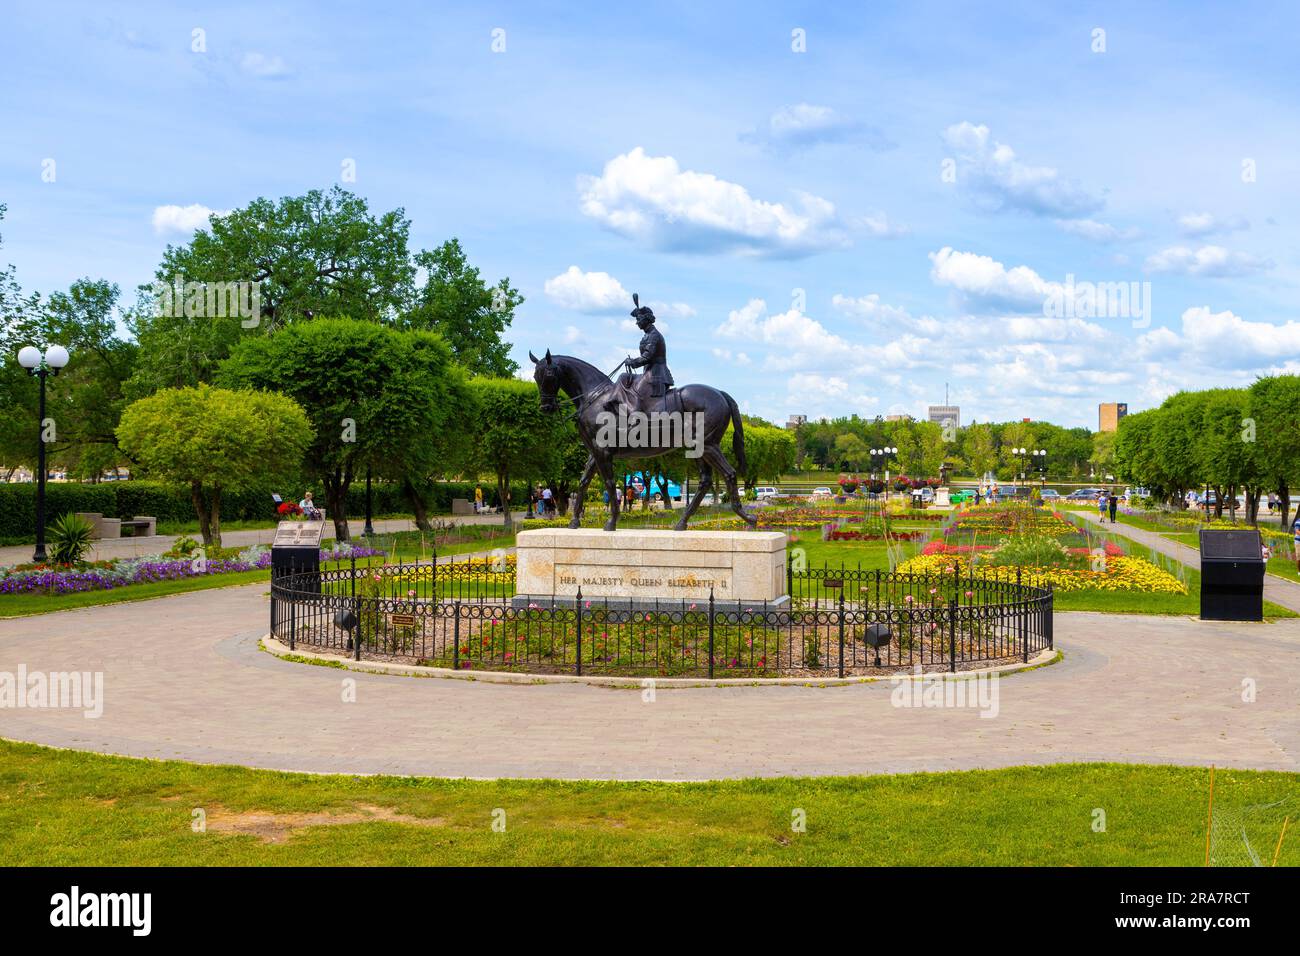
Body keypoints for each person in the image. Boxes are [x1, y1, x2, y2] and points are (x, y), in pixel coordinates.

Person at [624, 294, 674, 408]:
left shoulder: (654, 336)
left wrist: (632, 362)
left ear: (646, 319)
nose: (637, 322)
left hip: (657, 375)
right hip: (649, 373)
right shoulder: (648, 335)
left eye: (638, 319)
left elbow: (647, 357)